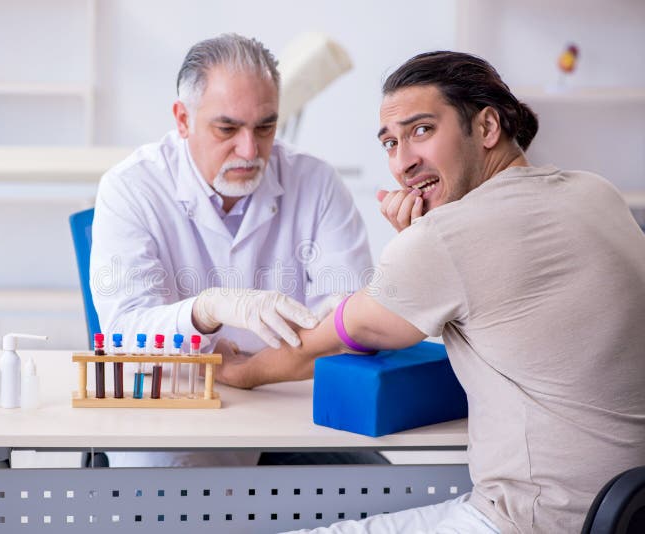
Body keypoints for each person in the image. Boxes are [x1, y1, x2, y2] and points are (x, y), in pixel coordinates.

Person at [217, 51, 645, 533]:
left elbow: (323, 345)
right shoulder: (596, 192)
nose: (403, 162)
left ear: (486, 128)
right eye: (389, 142)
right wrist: (422, 247)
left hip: (533, 522)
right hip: (626, 512)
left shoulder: (448, 237)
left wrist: (237, 370)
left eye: (422, 130)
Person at [89, 34, 374, 466]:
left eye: (265, 127)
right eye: (227, 128)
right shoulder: (130, 188)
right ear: (183, 120)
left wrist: (250, 372)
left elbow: (354, 327)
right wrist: (206, 310)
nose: (249, 150)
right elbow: (125, 336)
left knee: (379, 493)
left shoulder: (316, 183)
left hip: (289, 412)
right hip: (172, 421)